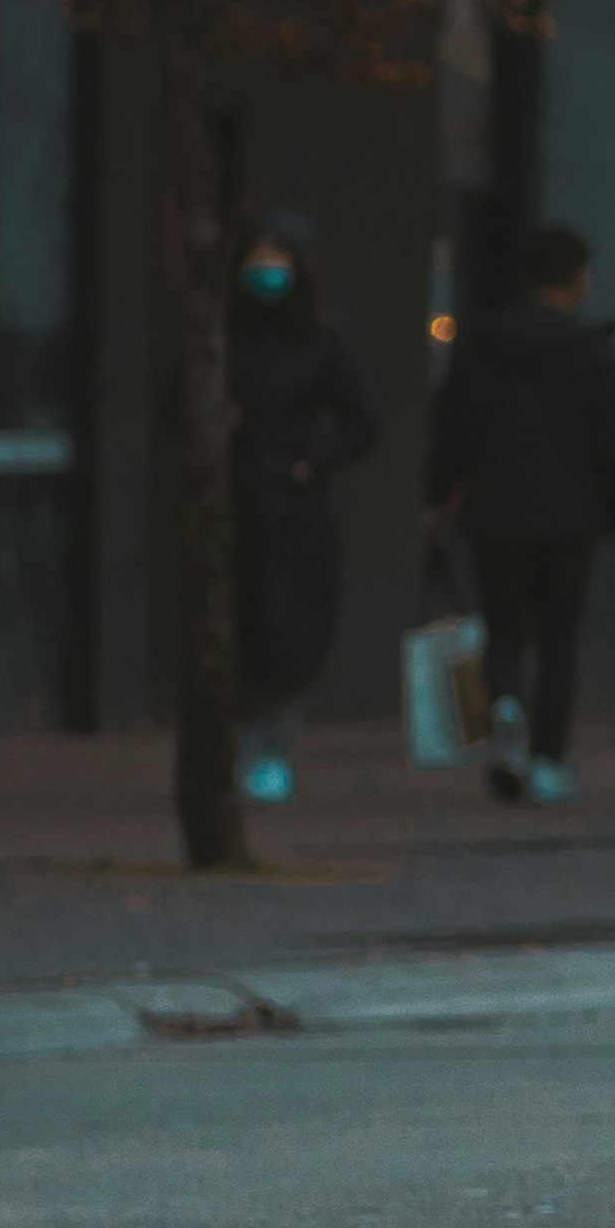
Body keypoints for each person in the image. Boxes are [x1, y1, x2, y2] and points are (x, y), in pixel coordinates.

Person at [423, 223, 615, 805]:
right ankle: (548, 758)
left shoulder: (482, 343)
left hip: (496, 508)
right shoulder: (592, 351)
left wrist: (438, 497)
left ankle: (506, 707)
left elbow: (454, 426)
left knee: (506, 627)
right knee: (559, 637)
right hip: (570, 516)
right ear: (576, 279)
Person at [224, 210, 380, 807]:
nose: (266, 269)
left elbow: (365, 420)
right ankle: (241, 749)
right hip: (236, 502)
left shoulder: (324, 340)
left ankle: (272, 748)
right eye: (256, 256)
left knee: (291, 633)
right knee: (239, 631)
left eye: (278, 256)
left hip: (293, 512)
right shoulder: (225, 335)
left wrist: (309, 462)